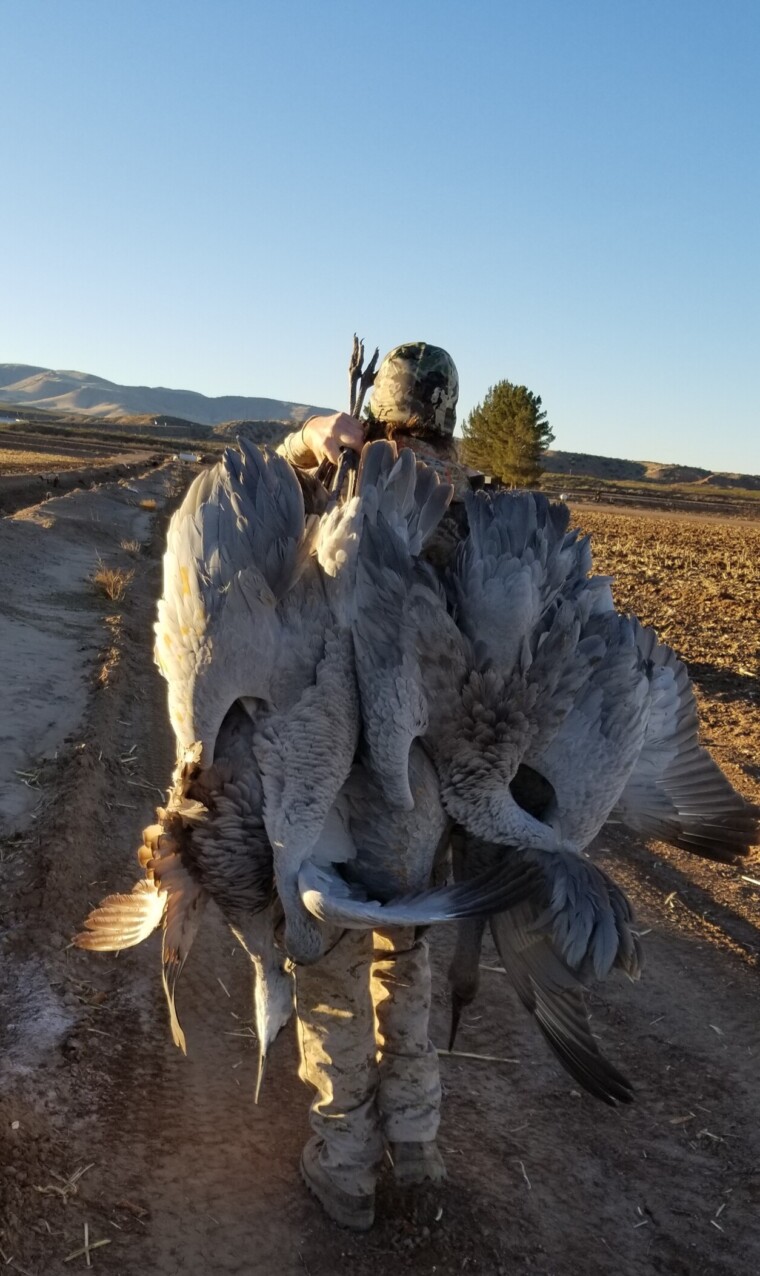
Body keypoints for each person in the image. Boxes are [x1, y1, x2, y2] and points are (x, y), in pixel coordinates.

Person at [277, 343, 472, 1232]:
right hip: (427, 793)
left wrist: (312, 446)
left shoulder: (347, 481)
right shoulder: (475, 511)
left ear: (382, 405)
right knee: (411, 955)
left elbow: (252, 504)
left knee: (328, 965)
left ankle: (347, 1164)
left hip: (333, 785)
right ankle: (422, 1147)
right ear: (447, 414)